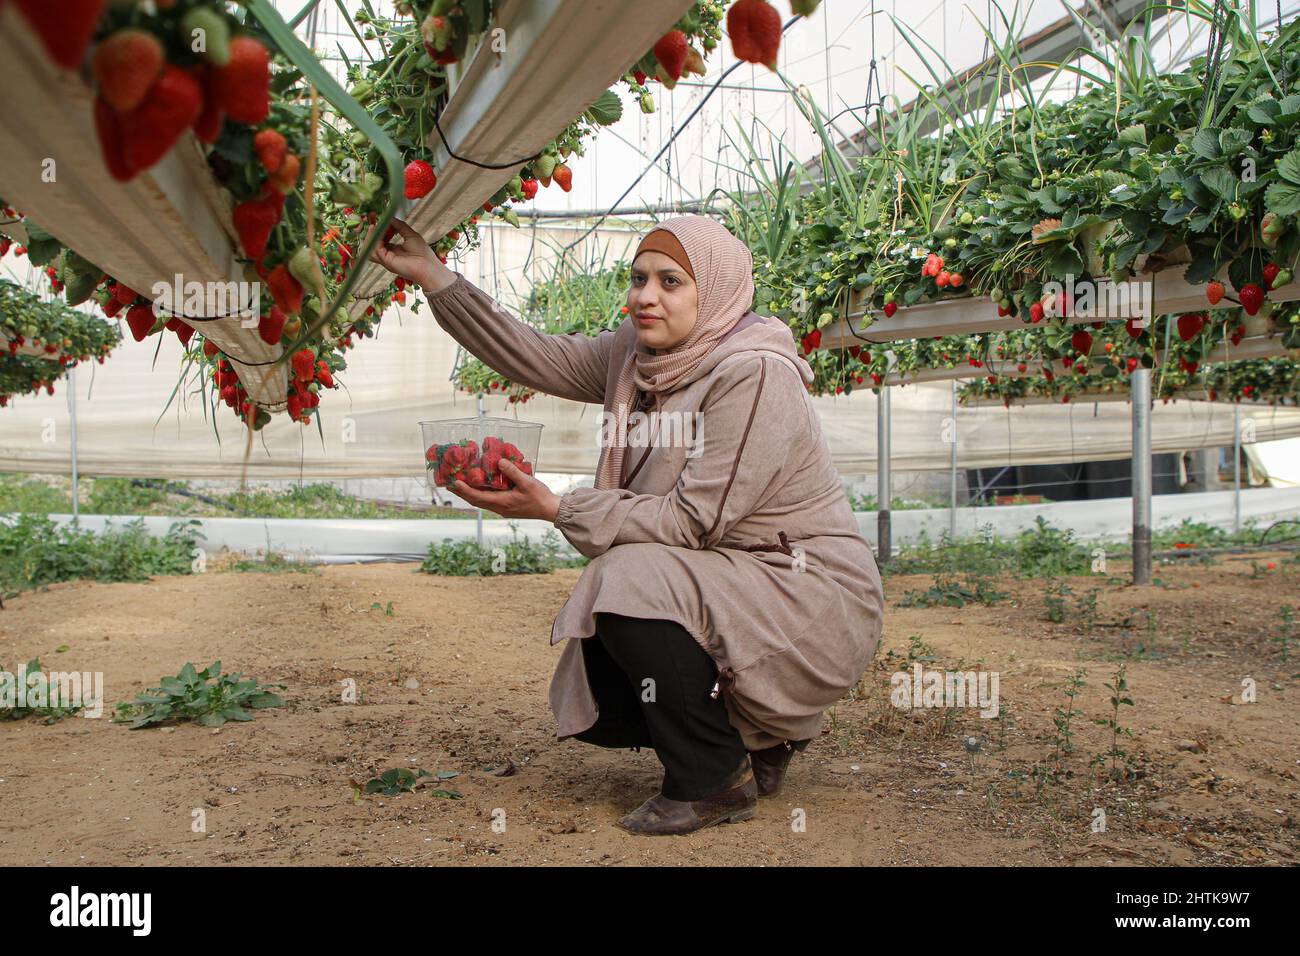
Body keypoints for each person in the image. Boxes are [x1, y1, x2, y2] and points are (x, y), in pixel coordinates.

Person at [372, 213, 884, 836]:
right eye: (639, 277)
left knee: (626, 581)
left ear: (715, 291)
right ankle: (758, 734)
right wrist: (435, 277)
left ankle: (713, 779)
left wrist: (561, 508)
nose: (645, 295)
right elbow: (536, 355)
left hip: (807, 593)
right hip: (729, 576)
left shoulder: (754, 373)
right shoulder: (634, 356)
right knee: (621, 627)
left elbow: (692, 522)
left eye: (671, 281)